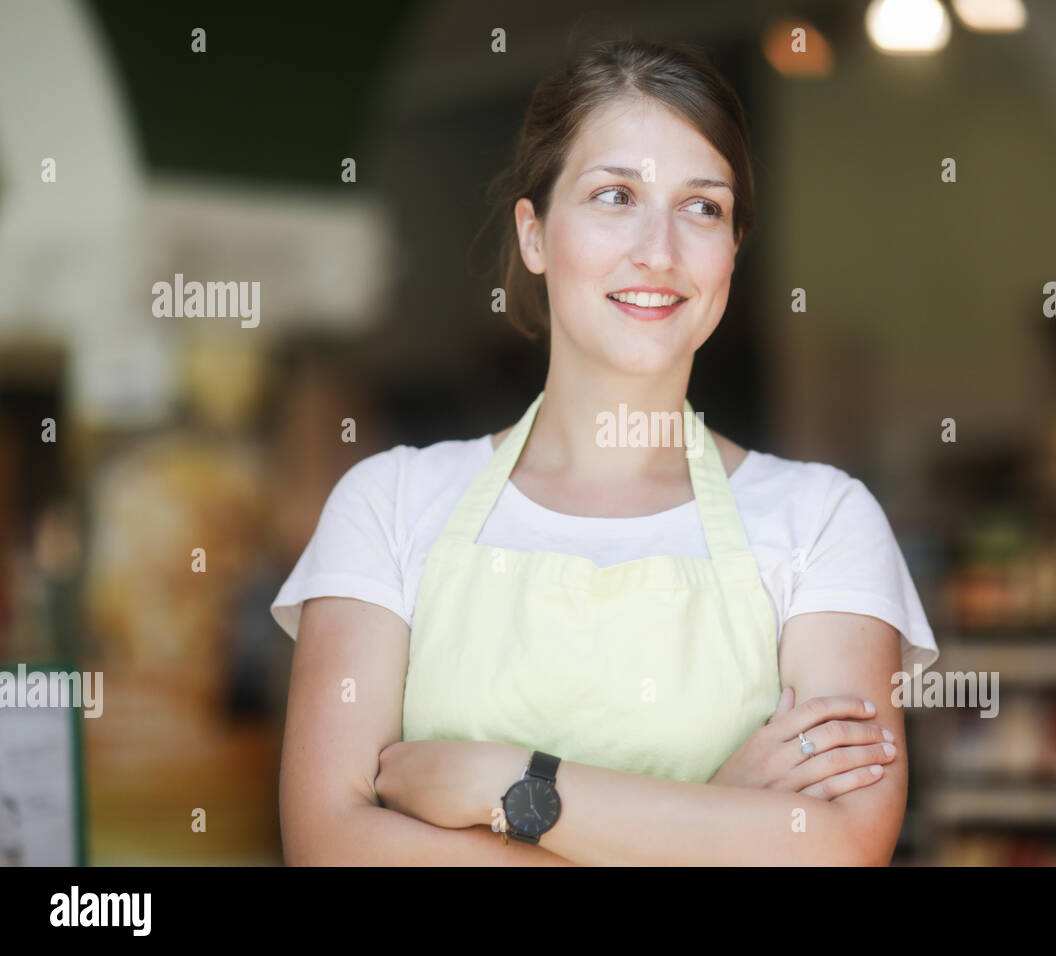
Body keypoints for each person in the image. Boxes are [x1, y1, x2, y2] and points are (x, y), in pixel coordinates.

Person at [272, 38, 938, 866]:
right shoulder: (390, 503)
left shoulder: (825, 521)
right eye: (615, 195)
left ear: (733, 250)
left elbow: (837, 847)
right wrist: (717, 820)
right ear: (535, 235)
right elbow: (328, 845)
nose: (658, 250)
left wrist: (512, 785)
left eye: (703, 207)